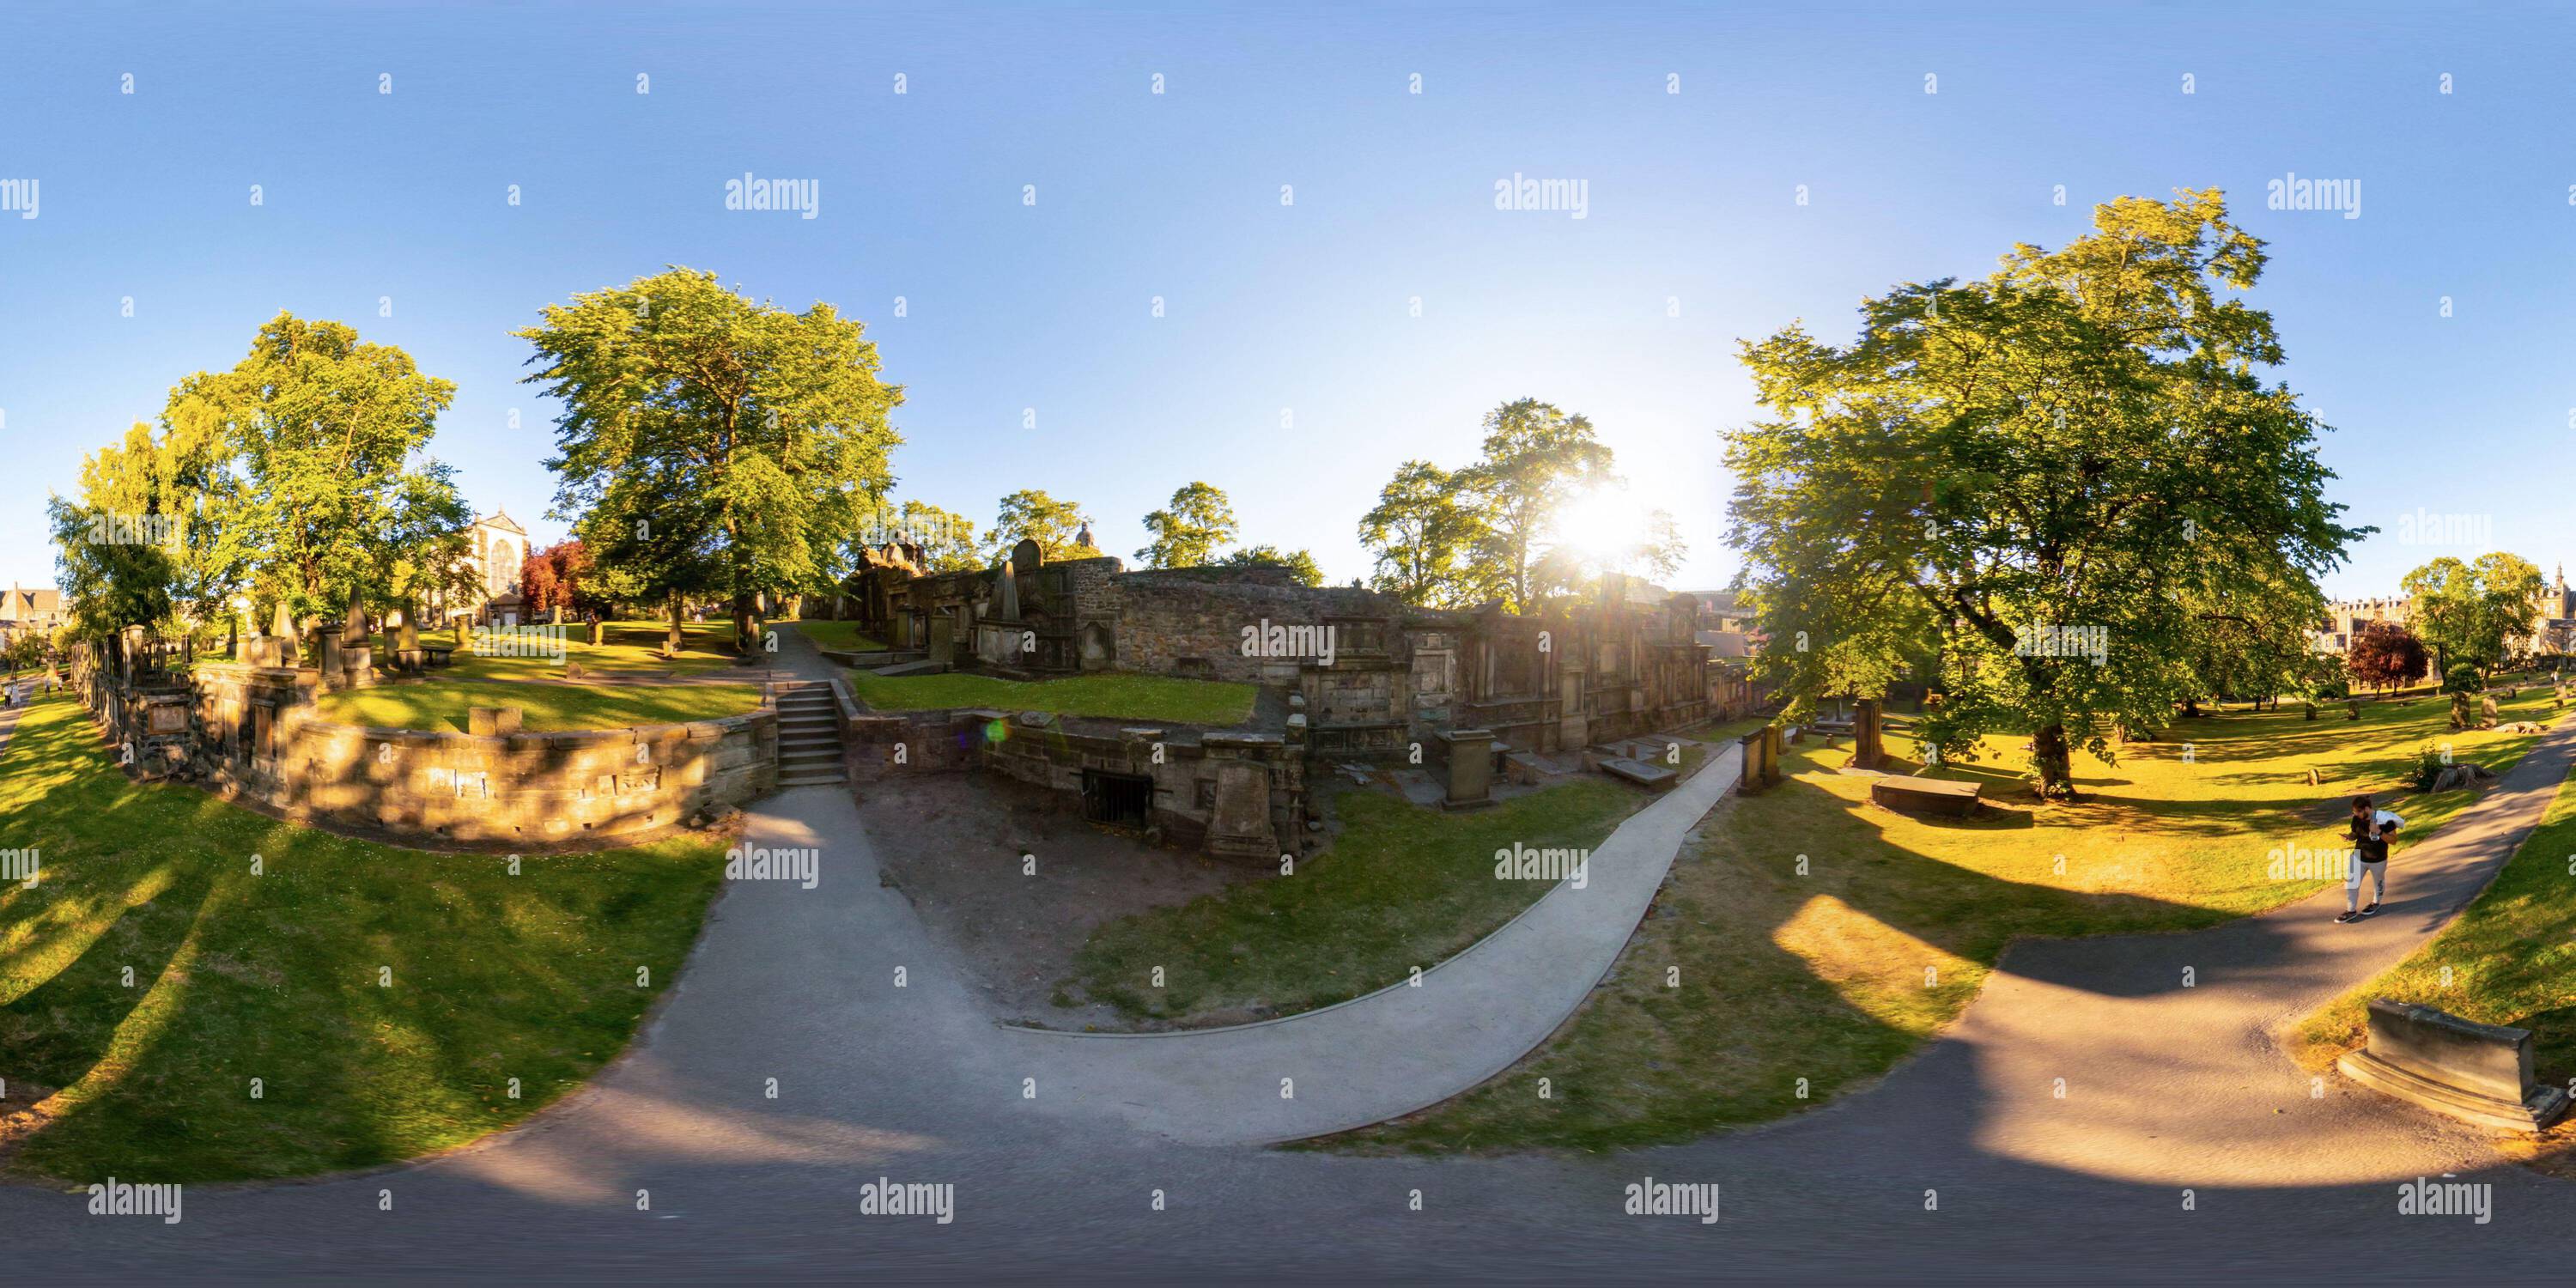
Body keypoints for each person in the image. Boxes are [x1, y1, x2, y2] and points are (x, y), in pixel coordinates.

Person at [2336, 794, 2403, 923]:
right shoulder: (2356, 819)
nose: (2355, 814)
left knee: (2378, 882)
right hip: (2358, 856)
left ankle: (2376, 902)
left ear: (2367, 809)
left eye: (2358, 811)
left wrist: (2379, 832)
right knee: (2351, 884)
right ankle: (2351, 910)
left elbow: (2394, 840)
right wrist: (2349, 837)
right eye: (2354, 811)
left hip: (2378, 859)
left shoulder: (2385, 820)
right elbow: (2355, 833)